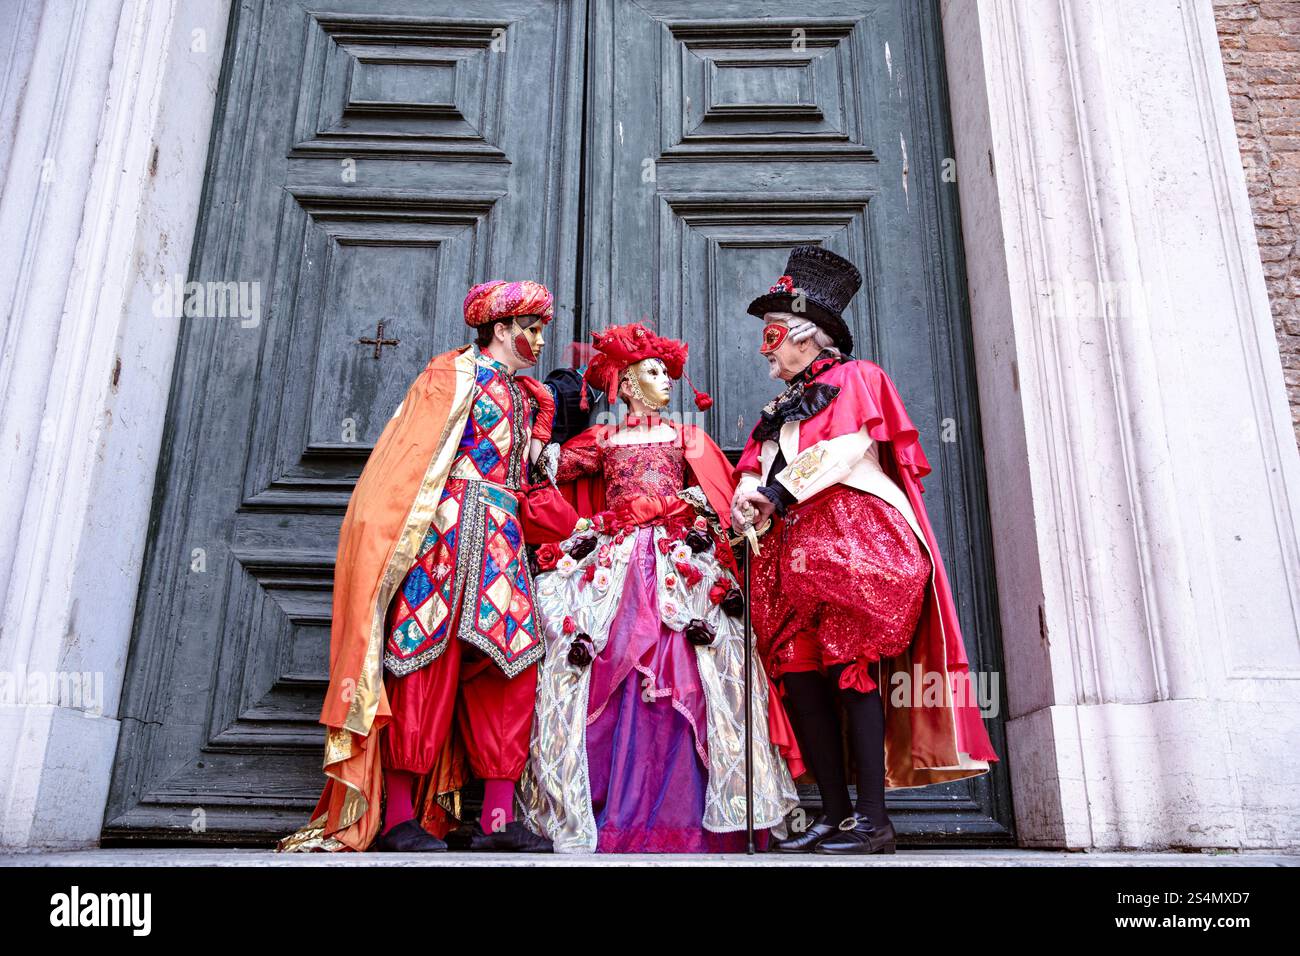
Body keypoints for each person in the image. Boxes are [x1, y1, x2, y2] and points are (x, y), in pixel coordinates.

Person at [277, 279, 572, 853]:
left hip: (504, 544)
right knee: (422, 665)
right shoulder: (449, 377)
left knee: (510, 669)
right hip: (446, 536)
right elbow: (408, 461)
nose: (540, 338)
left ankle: (495, 821)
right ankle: (398, 820)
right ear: (503, 329)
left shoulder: (530, 395)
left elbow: (527, 482)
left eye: (542, 327)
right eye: (532, 327)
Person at [731, 245, 1000, 854]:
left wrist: (774, 490)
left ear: (809, 337)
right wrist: (746, 500)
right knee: (801, 678)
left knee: (850, 672)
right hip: (793, 553)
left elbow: (846, 448)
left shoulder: (858, 378)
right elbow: (757, 465)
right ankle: (832, 812)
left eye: (773, 335)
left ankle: (874, 822)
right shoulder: (778, 409)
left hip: (857, 540)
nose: (764, 347)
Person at [519, 322, 802, 852]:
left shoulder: (686, 437)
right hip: (617, 561)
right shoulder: (603, 438)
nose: (667, 381)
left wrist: (690, 507)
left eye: (668, 372)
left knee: (695, 670)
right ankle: (603, 806)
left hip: (677, 561)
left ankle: (695, 813)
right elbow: (546, 465)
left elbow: (723, 495)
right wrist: (538, 401)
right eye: (653, 372)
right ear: (626, 385)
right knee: (603, 658)